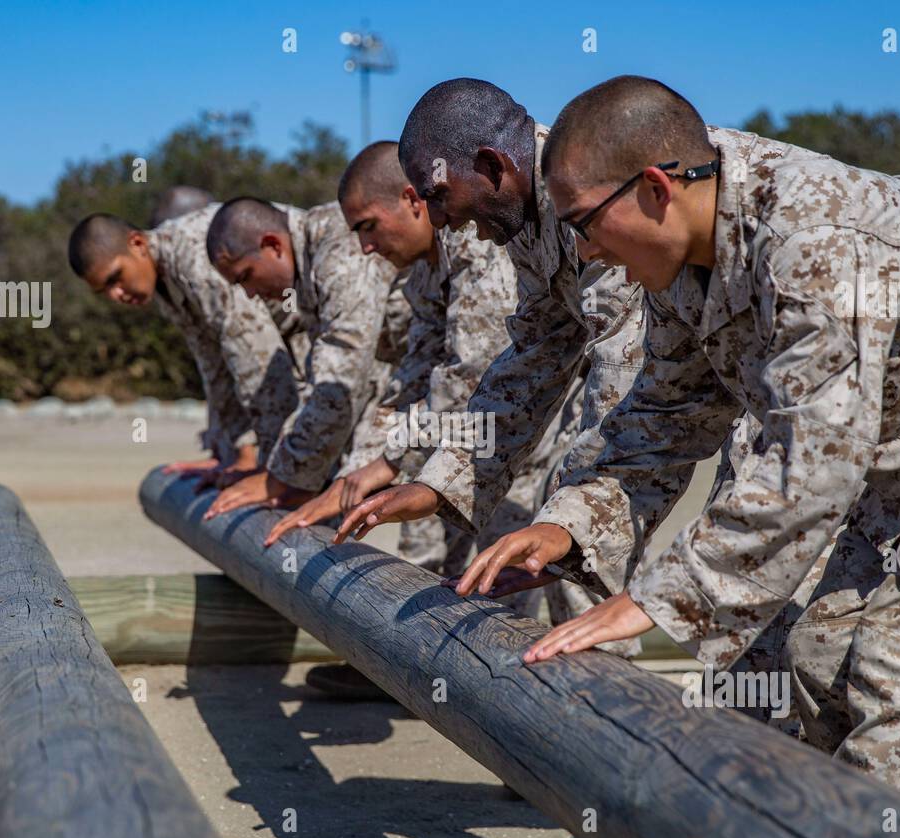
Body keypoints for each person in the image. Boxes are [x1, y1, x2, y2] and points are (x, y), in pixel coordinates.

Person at [512, 74, 900, 822]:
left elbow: (811, 460)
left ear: (655, 187)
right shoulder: (684, 252)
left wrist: (660, 597)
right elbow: (667, 407)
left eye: (584, 223)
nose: (582, 250)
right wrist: (573, 523)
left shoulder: (814, 239)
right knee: (818, 656)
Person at [334, 79, 648, 649]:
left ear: (491, 165)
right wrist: (438, 483)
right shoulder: (527, 221)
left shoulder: (586, 198)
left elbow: (622, 385)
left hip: (763, 401)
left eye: (437, 197)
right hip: (692, 403)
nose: (440, 220)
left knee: (797, 648)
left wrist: (570, 520)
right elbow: (532, 360)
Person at [265, 140, 559, 619]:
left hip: (544, 426)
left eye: (368, 227)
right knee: (464, 572)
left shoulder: (470, 241)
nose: (365, 247)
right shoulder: (423, 271)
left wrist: (390, 460)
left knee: (544, 575)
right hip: (487, 433)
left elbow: (469, 374)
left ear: (411, 199)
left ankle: (594, 687)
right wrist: (354, 478)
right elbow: (413, 380)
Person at [201, 197, 413, 520]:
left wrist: (280, 477)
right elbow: (323, 377)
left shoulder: (337, 251)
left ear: (273, 245)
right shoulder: (306, 267)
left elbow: (340, 379)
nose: (250, 294)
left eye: (246, 275)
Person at [67, 204, 299, 484]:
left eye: (116, 278)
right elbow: (214, 365)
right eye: (104, 290)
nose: (116, 294)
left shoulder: (195, 259)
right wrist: (235, 453)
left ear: (137, 243)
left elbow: (260, 362)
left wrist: (274, 470)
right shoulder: (163, 279)